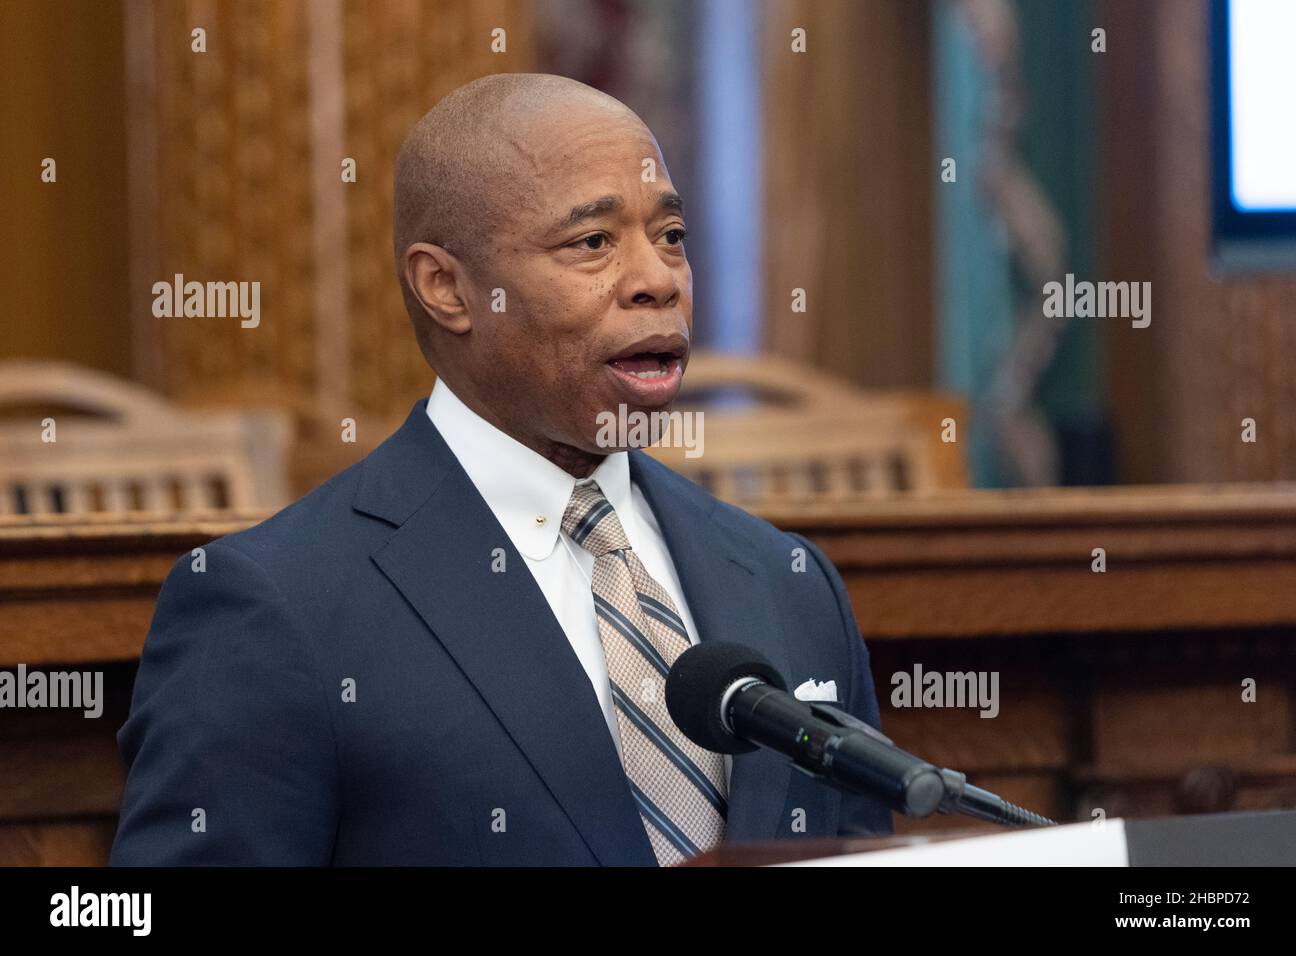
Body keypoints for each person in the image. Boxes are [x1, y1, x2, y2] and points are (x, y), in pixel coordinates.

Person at [110, 73, 892, 866]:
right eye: (593, 243)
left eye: (671, 236)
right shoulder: (273, 609)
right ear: (447, 288)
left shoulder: (787, 579)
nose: (658, 279)